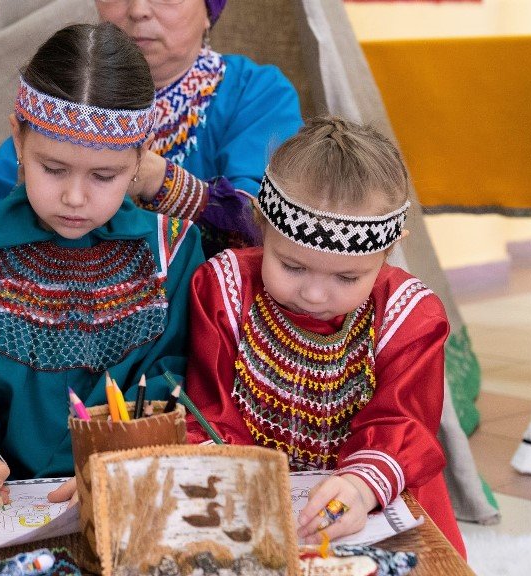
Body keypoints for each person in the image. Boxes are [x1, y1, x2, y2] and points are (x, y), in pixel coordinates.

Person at [0, 22, 203, 507]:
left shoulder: (173, 252)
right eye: (52, 169)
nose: (74, 197)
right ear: (17, 139)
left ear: (140, 157)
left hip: (127, 497)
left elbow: (184, 383)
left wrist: (122, 455)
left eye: (104, 175)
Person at [184, 116, 466, 557]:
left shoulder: (408, 315)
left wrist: (358, 486)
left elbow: (402, 423)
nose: (314, 294)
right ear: (261, 224)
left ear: (388, 251)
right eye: (292, 267)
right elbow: (209, 413)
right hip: (250, 502)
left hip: (372, 502)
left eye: (347, 276)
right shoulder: (223, 290)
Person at [0, 0, 302, 257]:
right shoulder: (68, 94)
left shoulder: (257, 93)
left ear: (208, 10)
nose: (138, 10)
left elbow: (271, 230)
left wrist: (159, 180)